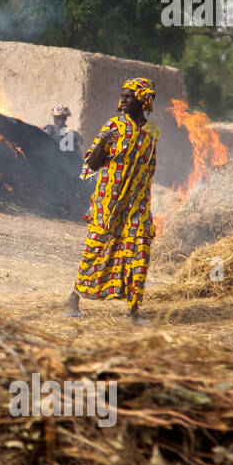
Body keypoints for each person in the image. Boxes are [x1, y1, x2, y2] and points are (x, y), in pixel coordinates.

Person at [62, 78, 159, 325]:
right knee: (96, 249)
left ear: (142, 99)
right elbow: (91, 165)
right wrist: (103, 141)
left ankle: (133, 311)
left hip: (136, 204)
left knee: (139, 251)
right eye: (122, 95)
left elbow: (149, 169)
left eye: (128, 96)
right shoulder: (113, 126)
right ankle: (74, 297)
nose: (123, 100)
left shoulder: (152, 132)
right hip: (109, 202)